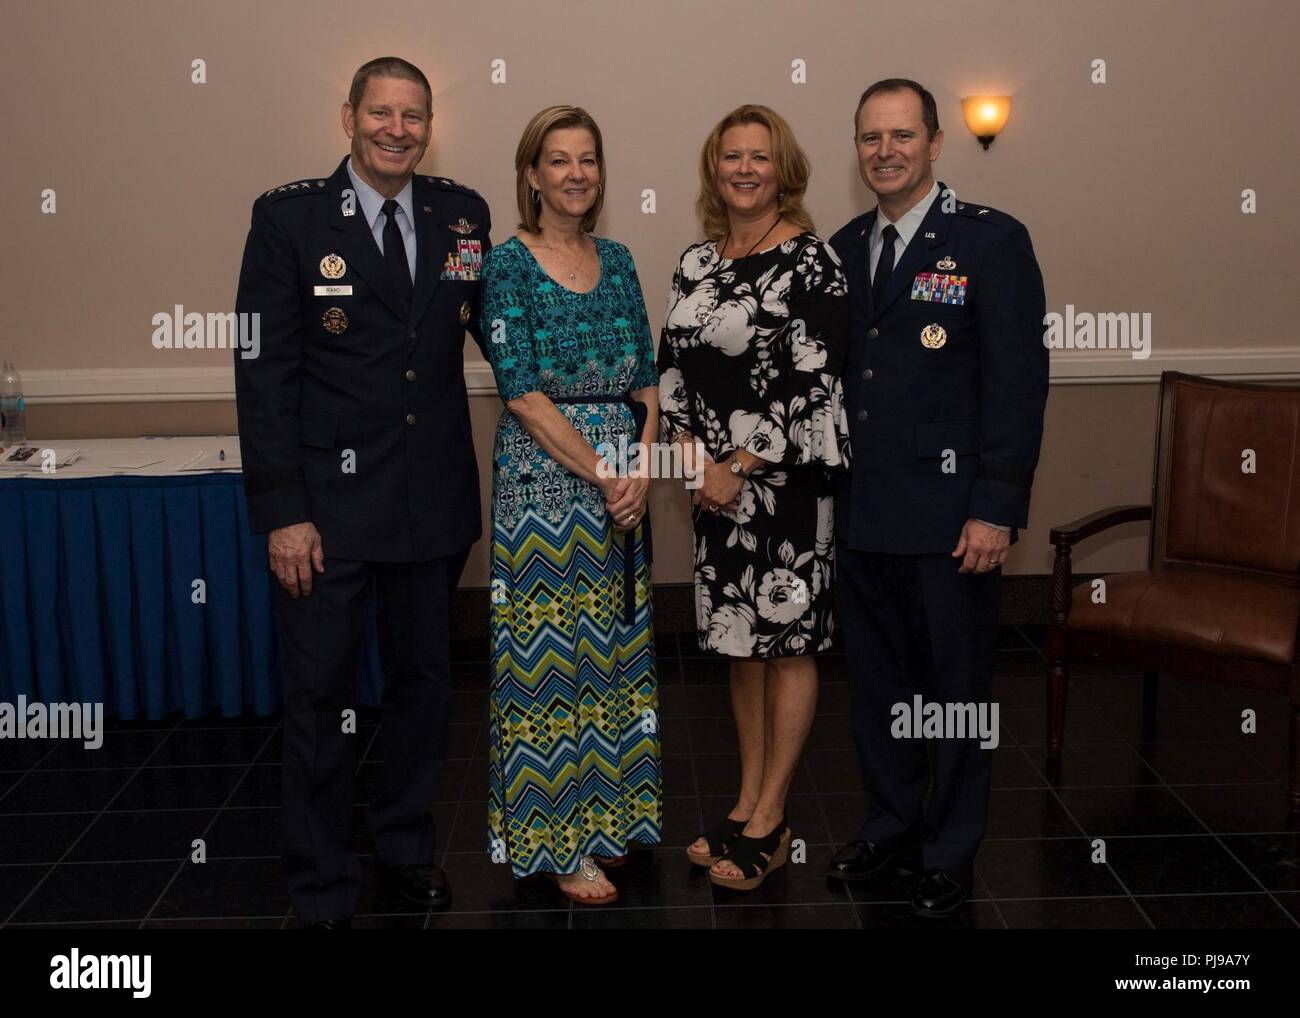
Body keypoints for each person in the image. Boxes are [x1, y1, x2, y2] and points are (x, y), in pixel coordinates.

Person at [233, 57, 491, 928]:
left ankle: (406, 848)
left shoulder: (464, 214)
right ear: (348, 118)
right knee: (320, 701)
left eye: (413, 115)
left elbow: (498, 333)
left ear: (428, 125)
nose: (397, 129)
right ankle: (319, 879)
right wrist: (283, 513)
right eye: (381, 113)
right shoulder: (289, 218)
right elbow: (262, 374)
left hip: (432, 506)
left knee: (424, 688)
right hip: (327, 516)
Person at [825, 79, 1048, 917]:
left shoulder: (989, 243)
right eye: (870, 138)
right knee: (879, 687)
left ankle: (951, 850)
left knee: (953, 693)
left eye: (901, 136)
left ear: (934, 143)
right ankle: (891, 828)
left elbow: (1017, 386)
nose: (885, 151)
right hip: (864, 514)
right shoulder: (845, 247)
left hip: (955, 518)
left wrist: (997, 506)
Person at [658, 104, 851, 891]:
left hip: (787, 486)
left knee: (789, 645)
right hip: (713, 489)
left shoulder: (813, 261)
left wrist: (737, 461)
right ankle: (743, 802)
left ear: (784, 170)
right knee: (741, 645)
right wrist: (692, 456)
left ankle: (772, 818)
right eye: (731, 156)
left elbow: (816, 385)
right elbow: (671, 372)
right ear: (715, 169)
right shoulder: (695, 262)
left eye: (759, 157)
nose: (744, 168)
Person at [480, 106, 662, 906]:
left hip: (624, 487)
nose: (576, 174)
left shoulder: (618, 259)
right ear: (532, 174)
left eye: (588, 159)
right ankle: (557, 842)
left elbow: (648, 380)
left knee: (616, 651)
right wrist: (603, 470)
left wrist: (641, 466)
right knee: (549, 662)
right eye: (559, 161)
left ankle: (612, 820)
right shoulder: (506, 267)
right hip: (544, 487)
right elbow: (520, 394)